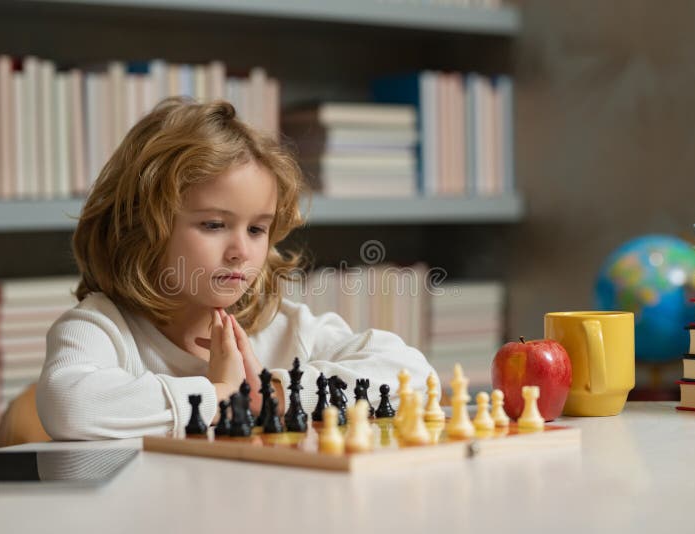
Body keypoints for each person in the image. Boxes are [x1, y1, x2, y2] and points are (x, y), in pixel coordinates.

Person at [36, 97, 435, 440]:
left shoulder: (283, 329)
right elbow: (70, 406)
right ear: (138, 227)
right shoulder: (102, 328)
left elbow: (414, 373)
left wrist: (272, 394)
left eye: (257, 229)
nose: (241, 252)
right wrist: (221, 394)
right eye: (213, 225)